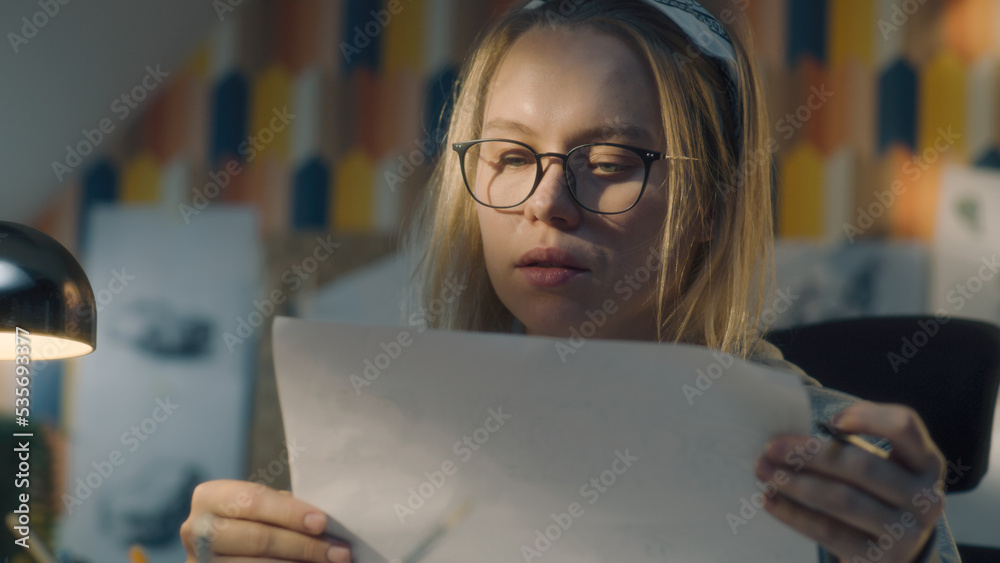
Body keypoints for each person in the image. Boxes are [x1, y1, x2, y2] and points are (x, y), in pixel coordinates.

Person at [182, 1, 959, 561]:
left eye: (611, 162)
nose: (547, 203)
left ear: (709, 207)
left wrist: (915, 554)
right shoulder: (378, 438)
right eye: (511, 157)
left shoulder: (832, 468)